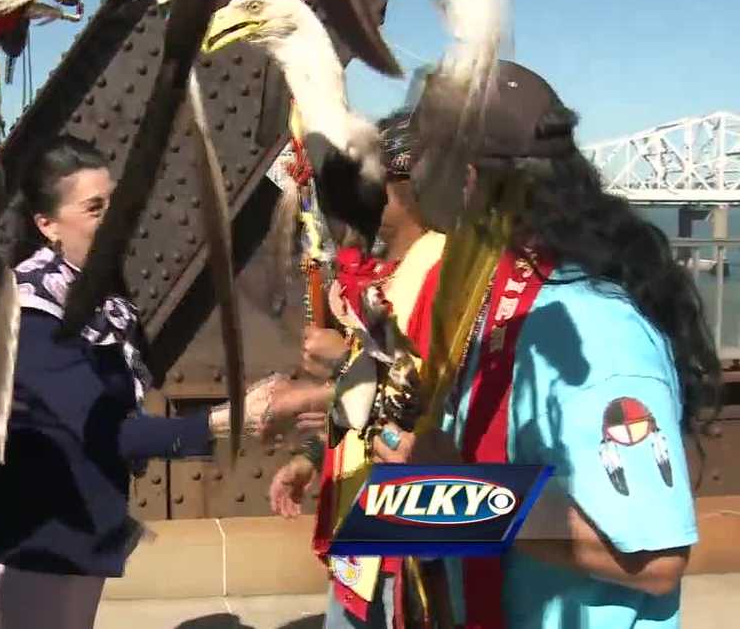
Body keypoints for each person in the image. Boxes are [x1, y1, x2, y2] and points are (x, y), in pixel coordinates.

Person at [371, 61, 715, 629]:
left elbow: (656, 560)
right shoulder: (505, 304)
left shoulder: (595, 329)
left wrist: (457, 494)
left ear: (471, 180)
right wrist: (426, 486)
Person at [0, 136, 267, 629]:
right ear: (47, 225)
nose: (115, 219)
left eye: (117, 204)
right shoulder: (32, 307)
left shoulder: (98, 293)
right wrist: (223, 423)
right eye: (94, 208)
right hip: (36, 532)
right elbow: (103, 429)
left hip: (81, 523)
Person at [265, 110, 446, 629]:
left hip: (404, 528)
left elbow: (428, 393)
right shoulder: (387, 270)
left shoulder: (441, 269)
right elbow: (360, 404)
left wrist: (341, 360)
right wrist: (309, 456)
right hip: (359, 522)